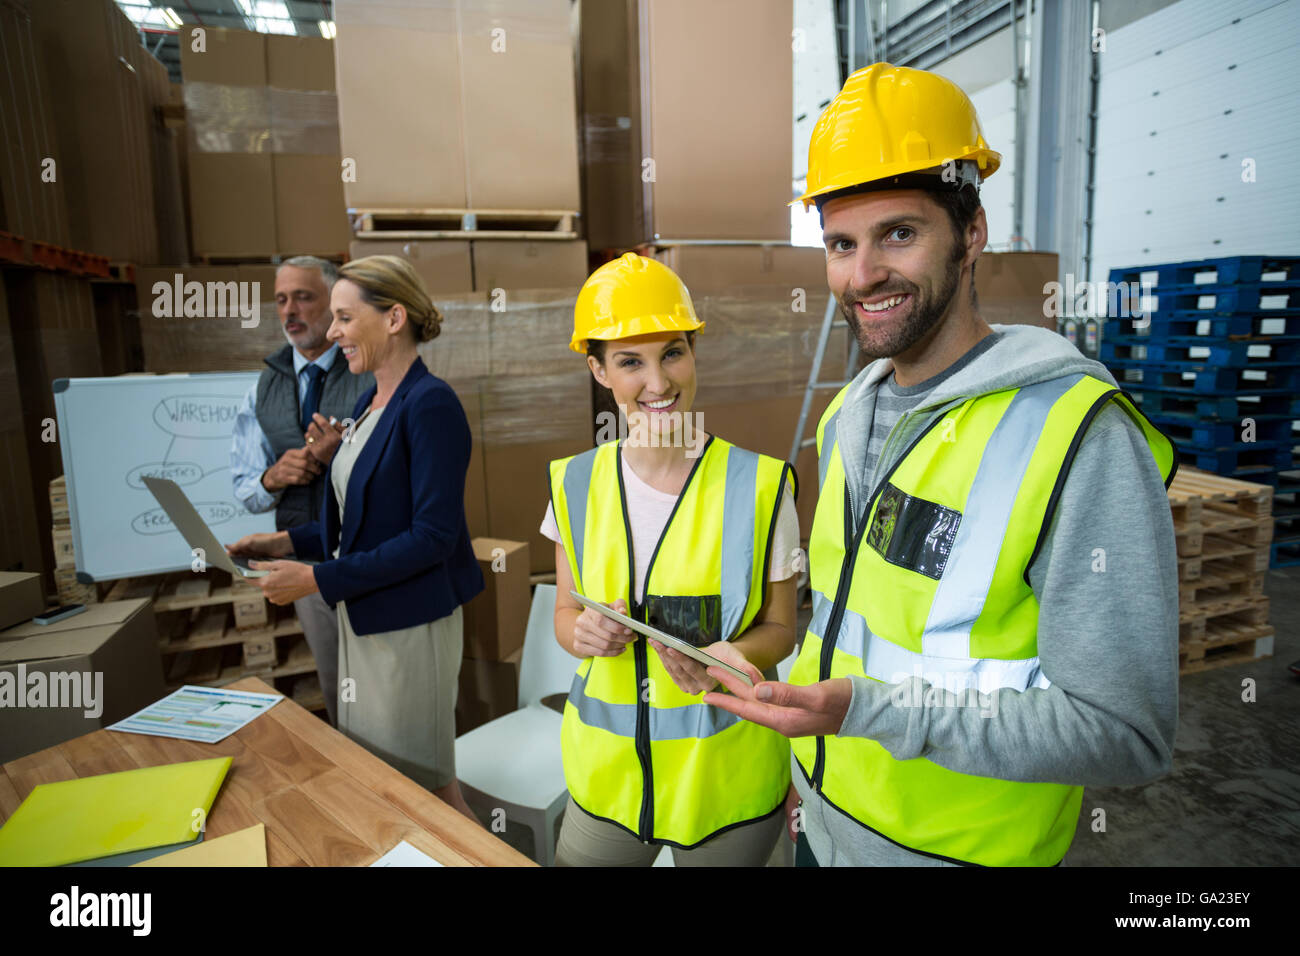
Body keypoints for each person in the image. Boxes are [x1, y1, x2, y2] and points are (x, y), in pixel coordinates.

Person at [705, 63, 1180, 867]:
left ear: (972, 233)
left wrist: (867, 713)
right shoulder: (849, 414)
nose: (862, 277)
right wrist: (756, 668)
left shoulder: (1078, 436)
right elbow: (850, 621)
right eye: (840, 245)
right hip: (821, 822)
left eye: (899, 233)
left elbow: (1124, 733)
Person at [544, 252, 800, 866]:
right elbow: (562, 616)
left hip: (726, 779)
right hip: (607, 782)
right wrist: (582, 632)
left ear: (694, 353)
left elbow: (783, 630)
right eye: (631, 362)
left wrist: (733, 656)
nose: (658, 384)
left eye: (674, 353)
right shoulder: (573, 484)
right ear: (600, 371)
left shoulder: (763, 486)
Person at [226, 255, 484, 822]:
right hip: (368, 622)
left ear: (394, 318)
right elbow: (365, 522)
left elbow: (432, 537)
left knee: (428, 791)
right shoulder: (371, 404)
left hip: (411, 629)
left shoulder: (429, 404)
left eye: (344, 317)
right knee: (387, 782)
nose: (333, 331)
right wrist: (285, 544)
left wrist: (316, 577)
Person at [230, 256, 373, 726]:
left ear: (332, 305)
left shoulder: (368, 370)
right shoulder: (264, 384)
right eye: (281, 299)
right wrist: (272, 478)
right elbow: (247, 489)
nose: (290, 310)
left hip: (369, 556)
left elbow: (398, 480)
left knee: (385, 685)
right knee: (337, 684)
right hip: (305, 560)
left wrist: (341, 460)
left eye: (304, 297)